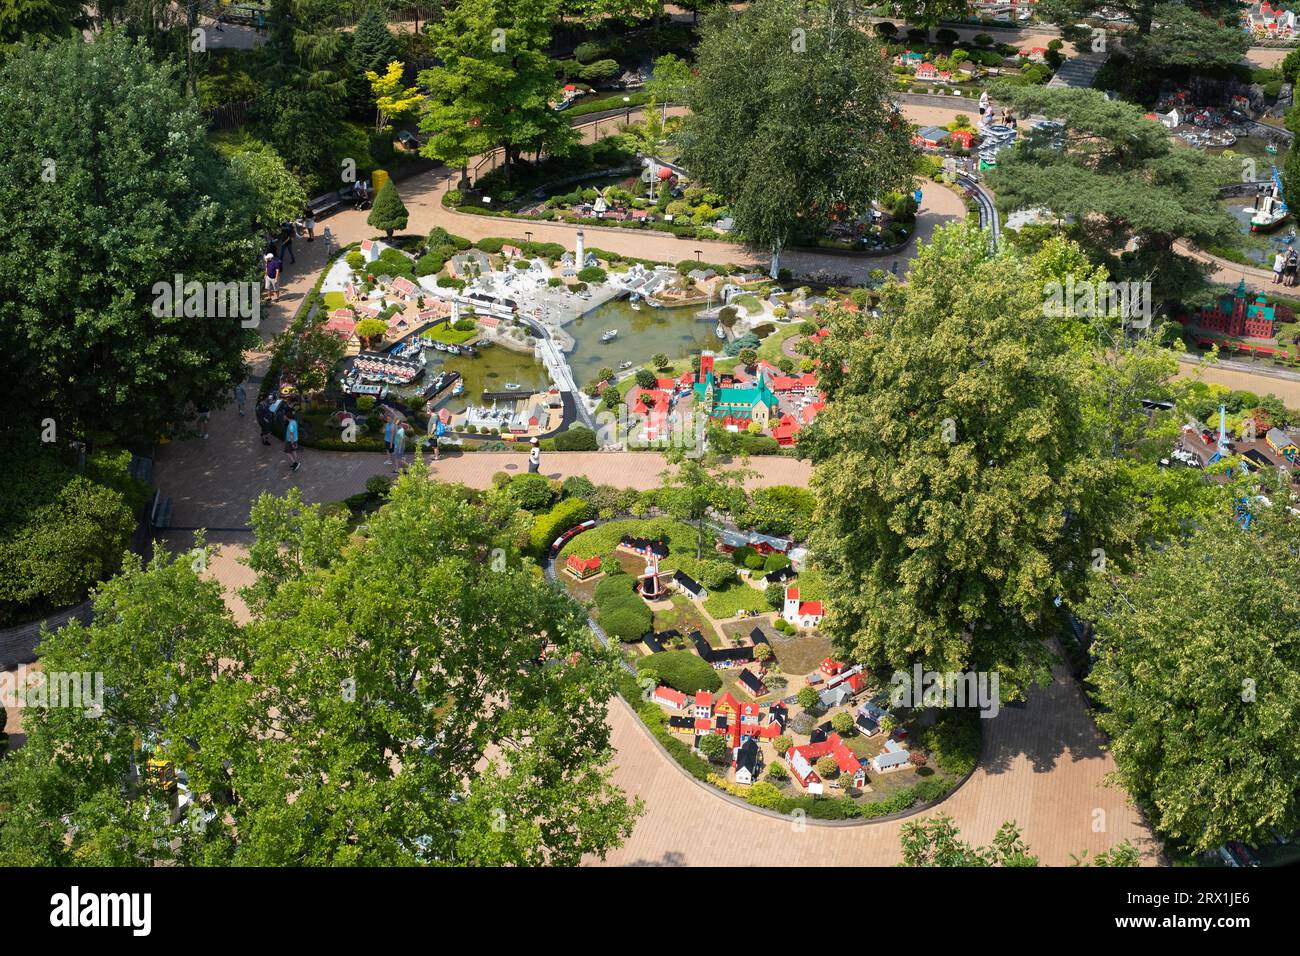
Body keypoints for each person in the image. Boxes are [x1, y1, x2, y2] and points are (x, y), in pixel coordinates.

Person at [283, 407, 300, 472]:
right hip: (295, 439)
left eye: (284, 416)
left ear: (287, 417)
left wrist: (292, 443)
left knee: (287, 452)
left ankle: (295, 463)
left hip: (290, 441)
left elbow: (291, 435)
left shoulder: (290, 425)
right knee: (293, 451)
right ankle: (295, 462)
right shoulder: (294, 421)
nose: (284, 417)